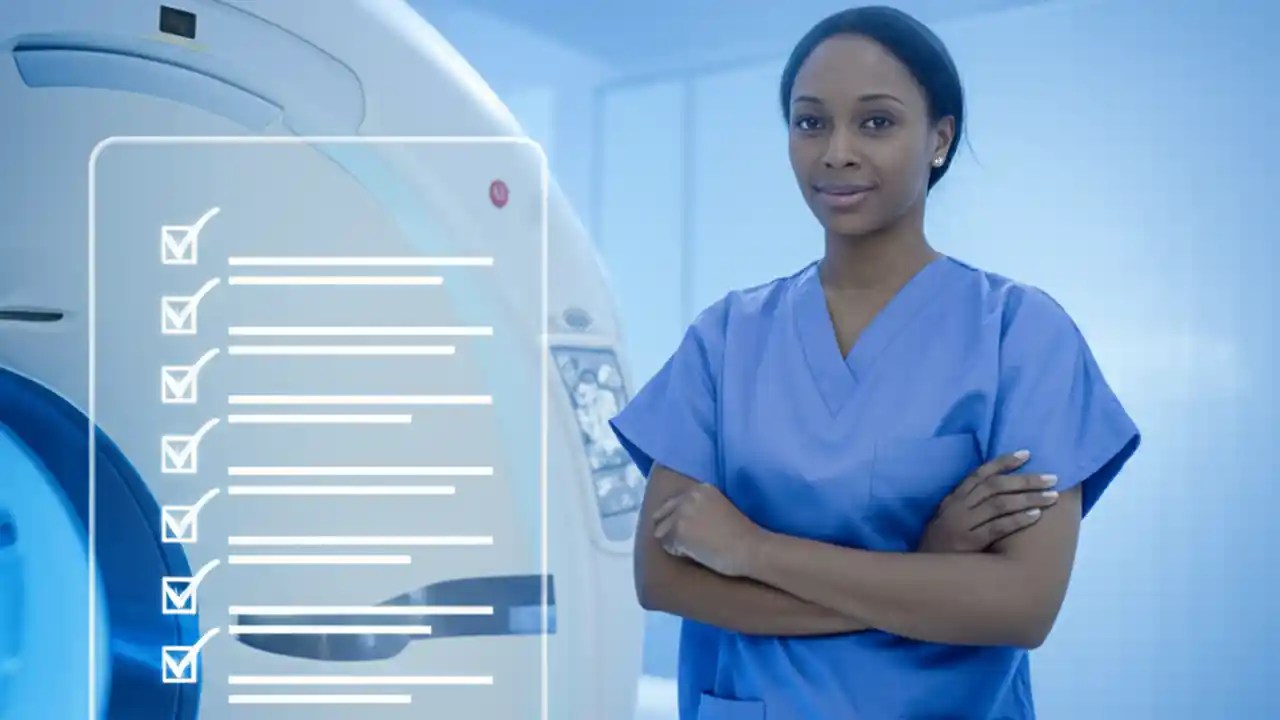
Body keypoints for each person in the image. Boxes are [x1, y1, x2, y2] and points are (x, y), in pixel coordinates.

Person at [608, 6, 1141, 719]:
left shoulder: (1021, 335)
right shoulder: (729, 337)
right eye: (810, 122)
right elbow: (663, 579)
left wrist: (753, 550)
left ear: (939, 139)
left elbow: (1020, 607)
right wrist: (932, 574)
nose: (836, 151)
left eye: (877, 122)